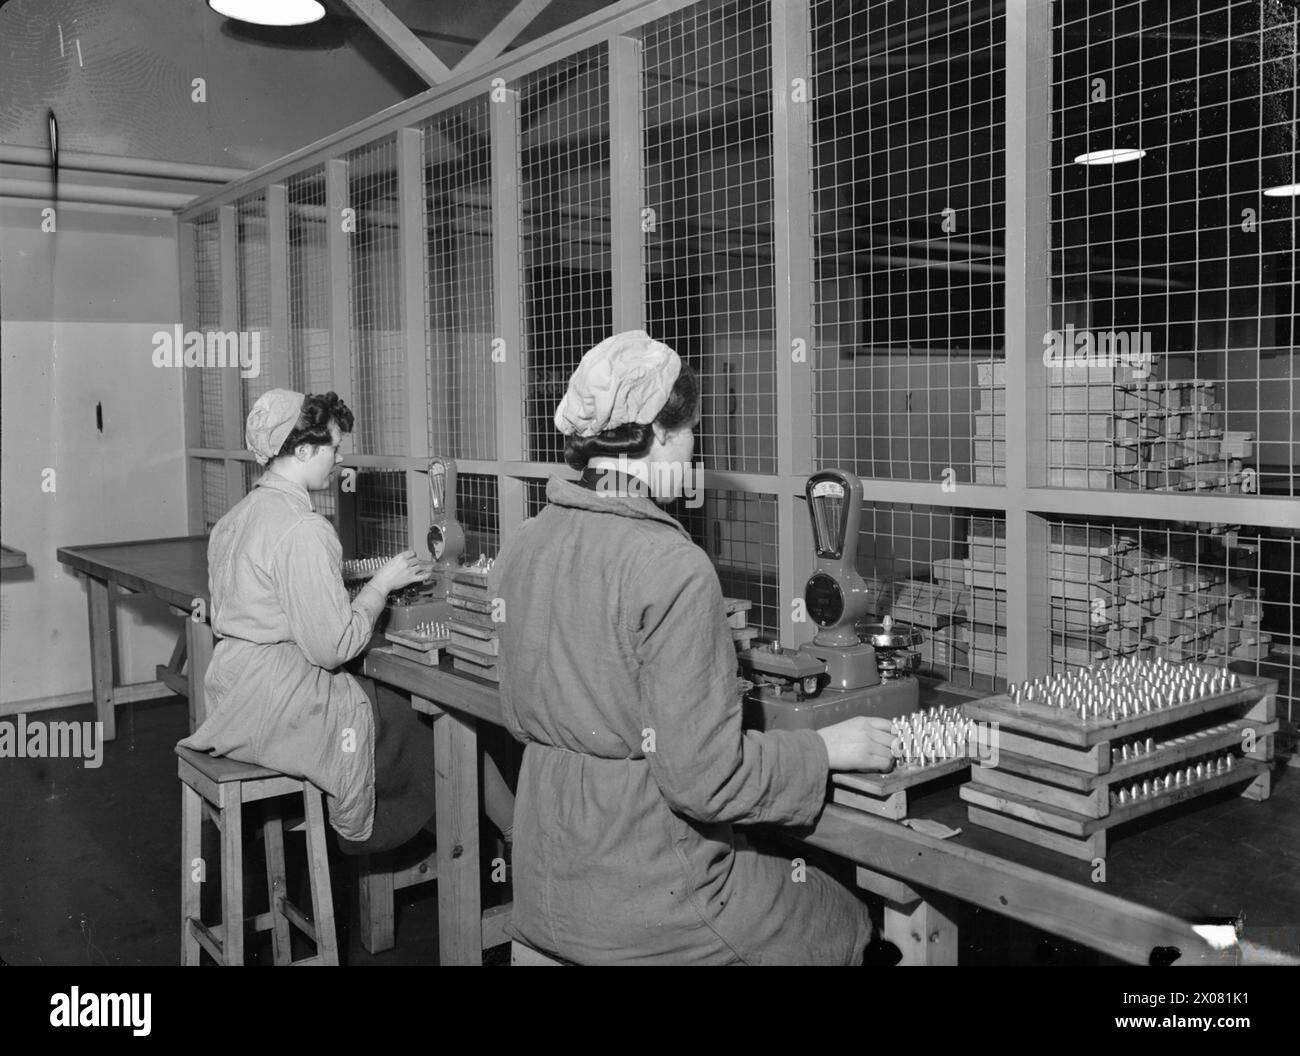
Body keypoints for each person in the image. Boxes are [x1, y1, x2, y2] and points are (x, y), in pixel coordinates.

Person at [490, 330, 896, 965]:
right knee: (839, 914)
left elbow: (529, 708)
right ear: (657, 435)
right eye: (690, 433)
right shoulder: (671, 565)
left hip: (547, 876)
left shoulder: (523, 544)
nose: (696, 449)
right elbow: (705, 781)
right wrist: (823, 749)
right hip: (649, 886)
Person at [179, 389, 435, 853]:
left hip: (231, 695)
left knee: (392, 720)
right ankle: (396, 838)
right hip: (278, 704)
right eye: (334, 448)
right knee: (414, 724)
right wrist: (382, 585)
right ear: (302, 450)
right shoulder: (304, 527)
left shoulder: (234, 518)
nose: (339, 460)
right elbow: (332, 647)